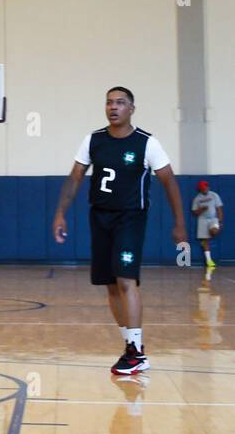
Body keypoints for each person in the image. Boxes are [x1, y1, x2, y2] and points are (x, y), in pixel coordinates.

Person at [52, 87, 187, 375]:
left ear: (132, 109)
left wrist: (180, 223)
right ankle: (130, 347)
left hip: (130, 218)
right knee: (110, 284)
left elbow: (170, 183)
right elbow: (75, 177)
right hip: (99, 218)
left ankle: (136, 351)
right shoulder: (93, 140)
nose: (113, 107)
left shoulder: (147, 143)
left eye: (120, 103)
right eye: (109, 102)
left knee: (126, 280)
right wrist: (60, 213)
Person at [191, 180, 223, 273]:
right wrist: (201, 209)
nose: (205, 189)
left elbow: (219, 208)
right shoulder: (197, 198)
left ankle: (209, 236)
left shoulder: (214, 195)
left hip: (213, 218)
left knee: (214, 231)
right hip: (202, 220)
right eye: (202, 188)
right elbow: (194, 212)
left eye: (205, 187)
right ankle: (209, 261)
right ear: (200, 189)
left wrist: (220, 221)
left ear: (208, 187)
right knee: (205, 241)